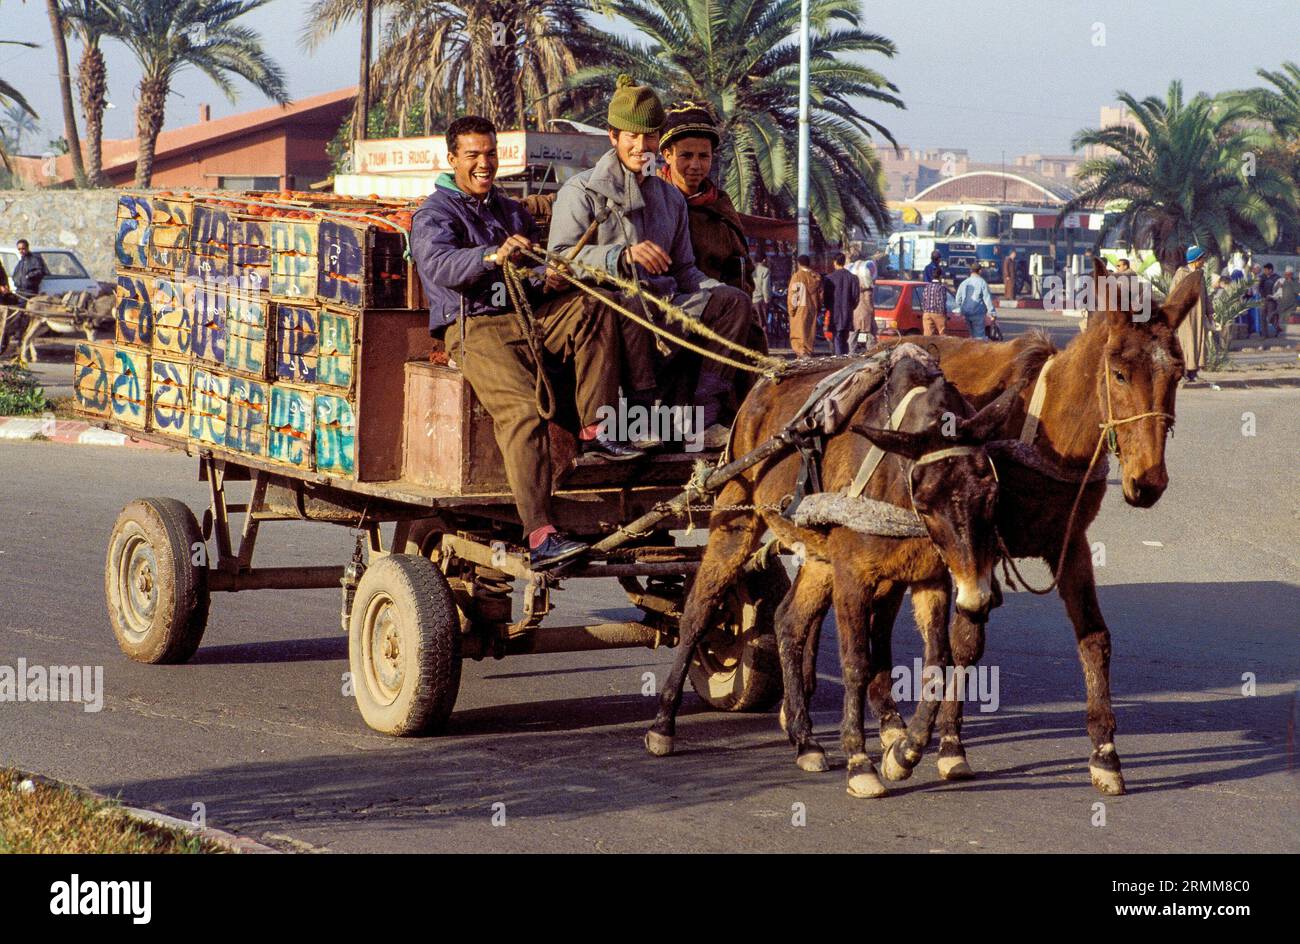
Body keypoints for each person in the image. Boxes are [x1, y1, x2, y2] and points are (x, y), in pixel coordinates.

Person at [412, 115, 643, 570]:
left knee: (598, 305)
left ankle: (597, 429)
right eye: (474, 155)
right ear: (452, 158)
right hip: (473, 329)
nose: (485, 164)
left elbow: (533, 276)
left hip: (527, 317)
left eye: (491, 154)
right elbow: (438, 266)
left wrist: (547, 278)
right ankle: (540, 535)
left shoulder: (510, 210)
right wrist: (491, 255)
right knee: (522, 412)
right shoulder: (434, 213)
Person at [547, 76, 758, 448]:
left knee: (734, 302)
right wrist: (620, 256)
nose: (641, 147)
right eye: (632, 136)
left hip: (665, 305)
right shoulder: (580, 191)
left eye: (649, 138)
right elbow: (561, 257)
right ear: (613, 136)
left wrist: (716, 293)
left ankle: (703, 417)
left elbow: (684, 272)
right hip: (610, 309)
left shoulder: (669, 199)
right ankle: (641, 416)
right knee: (630, 301)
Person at [656, 100, 768, 411]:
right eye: (686, 156)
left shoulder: (721, 203)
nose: (695, 165)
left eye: (703, 156)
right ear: (666, 155)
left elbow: (739, 263)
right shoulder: (653, 199)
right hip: (672, 312)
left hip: (728, 312)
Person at [1170, 245, 1213, 381]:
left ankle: (1193, 373)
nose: (1204, 262)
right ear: (1195, 259)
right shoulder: (1181, 274)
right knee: (1186, 342)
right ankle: (1183, 373)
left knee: (1198, 341)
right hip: (1186, 315)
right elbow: (1173, 294)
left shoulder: (1200, 275)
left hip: (1199, 314)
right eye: (1202, 259)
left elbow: (1205, 295)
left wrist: (1209, 312)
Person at [821, 252, 859, 355]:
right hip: (847, 312)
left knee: (837, 338)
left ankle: (839, 359)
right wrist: (850, 307)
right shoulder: (853, 278)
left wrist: (830, 308)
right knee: (844, 338)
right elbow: (856, 298)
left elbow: (826, 299)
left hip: (835, 313)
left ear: (834, 262)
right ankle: (843, 359)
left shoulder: (829, 278)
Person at [786, 254, 822, 356]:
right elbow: (820, 296)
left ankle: (802, 356)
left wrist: (791, 310)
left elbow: (794, 295)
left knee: (798, 335)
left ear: (798, 264)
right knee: (809, 333)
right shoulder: (816, 277)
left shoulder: (797, 277)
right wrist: (817, 308)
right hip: (812, 309)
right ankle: (807, 354)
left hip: (799, 310)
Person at [955, 262, 995, 340]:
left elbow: (958, 299)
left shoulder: (964, 282)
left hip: (966, 314)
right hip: (978, 314)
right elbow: (987, 299)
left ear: (971, 271)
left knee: (970, 338)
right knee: (979, 338)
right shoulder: (982, 283)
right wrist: (992, 313)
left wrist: (961, 309)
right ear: (980, 271)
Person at [846, 250, 876, 353]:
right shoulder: (867, 291)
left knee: (853, 335)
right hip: (866, 315)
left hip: (854, 314)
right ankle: (871, 354)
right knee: (870, 335)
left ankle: (851, 353)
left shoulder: (850, 269)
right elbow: (869, 305)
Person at [920, 256, 947, 336]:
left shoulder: (927, 287)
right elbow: (942, 302)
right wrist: (944, 314)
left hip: (927, 313)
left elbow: (923, 300)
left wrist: (925, 310)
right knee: (942, 335)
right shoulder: (941, 287)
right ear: (940, 277)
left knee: (927, 336)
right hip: (938, 312)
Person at [751, 254, 772, 336]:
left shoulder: (751, 270)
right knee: (762, 323)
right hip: (760, 300)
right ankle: (763, 342)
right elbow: (766, 287)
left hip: (751, 299)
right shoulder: (765, 270)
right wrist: (767, 299)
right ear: (764, 260)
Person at [1258, 262, 1280, 336]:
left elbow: (1278, 289)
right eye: (1264, 270)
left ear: (1270, 270)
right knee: (1262, 316)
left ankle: (1276, 329)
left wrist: (1273, 296)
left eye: (1266, 270)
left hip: (1272, 300)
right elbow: (1259, 287)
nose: (1264, 271)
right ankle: (1265, 333)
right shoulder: (1262, 277)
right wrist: (1262, 295)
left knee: (1271, 317)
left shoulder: (1276, 278)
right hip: (1263, 299)